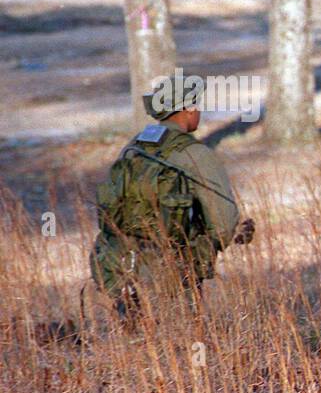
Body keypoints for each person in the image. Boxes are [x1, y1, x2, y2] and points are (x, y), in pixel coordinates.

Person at [90, 80, 254, 319]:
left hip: (121, 265)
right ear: (187, 110)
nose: (198, 112)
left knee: (138, 343)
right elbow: (223, 224)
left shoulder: (135, 145)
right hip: (174, 272)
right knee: (179, 341)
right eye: (196, 106)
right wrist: (225, 238)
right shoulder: (195, 154)